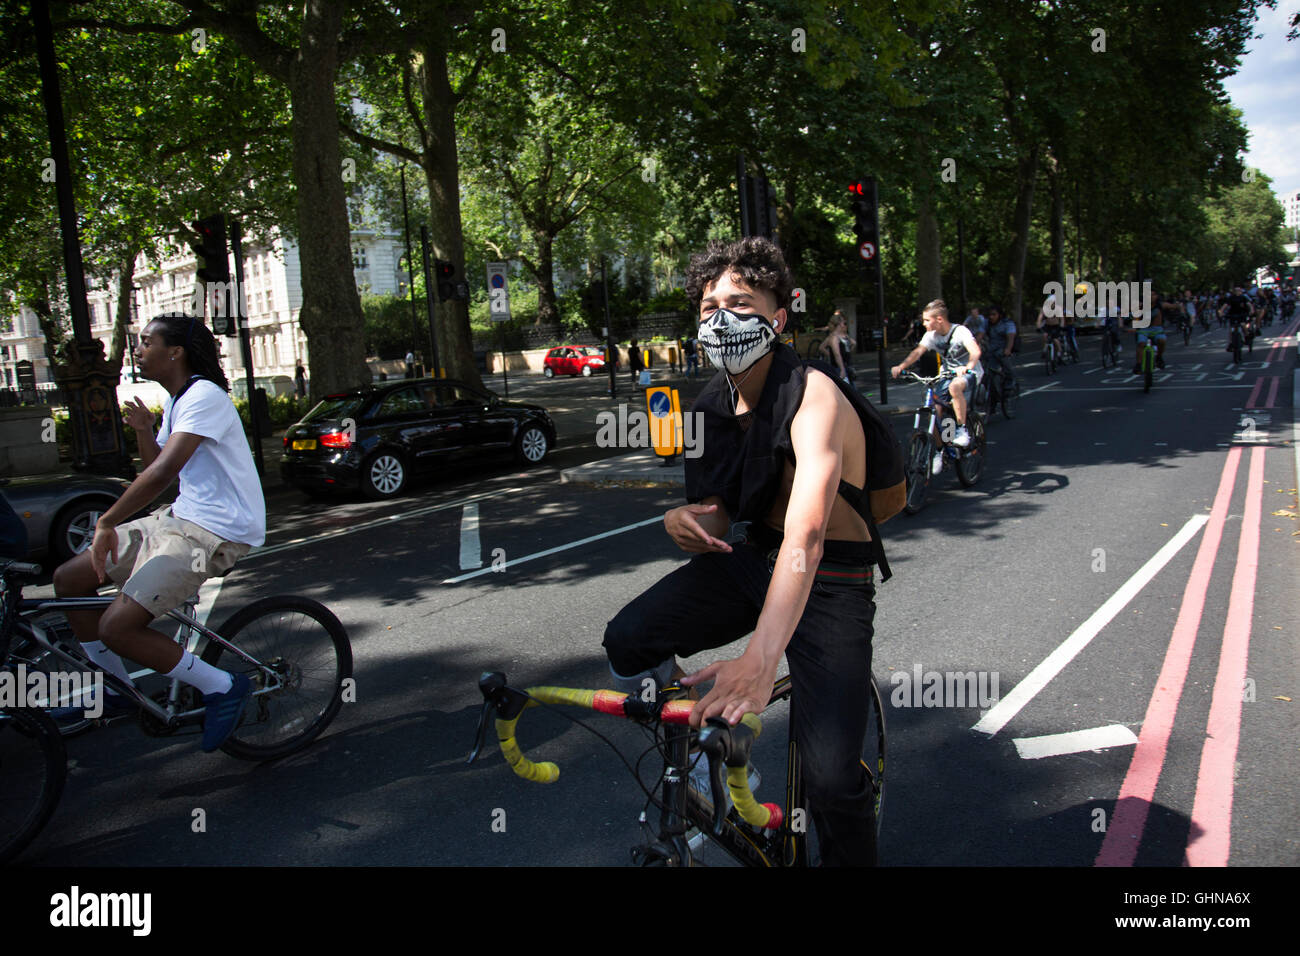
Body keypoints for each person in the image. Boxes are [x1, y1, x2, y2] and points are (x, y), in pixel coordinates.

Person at [603, 237, 881, 865]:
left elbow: (808, 536)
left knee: (831, 781)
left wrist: (760, 658)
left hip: (830, 574)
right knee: (627, 639)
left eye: (741, 302)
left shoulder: (815, 397)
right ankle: (709, 765)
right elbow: (721, 509)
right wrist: (686, 518)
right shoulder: (707, 406)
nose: (720, 317)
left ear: (778, 319)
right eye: (709, 306)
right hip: (758, 559)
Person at [52, 313, 266, 751]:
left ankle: (224, 685)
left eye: (147, 342)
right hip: (177, 517)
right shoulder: (176, 400)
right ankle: (117, 688)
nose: (139, 349)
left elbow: (166, 470)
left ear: (176, 351)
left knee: (117, 627)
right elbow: (160, 470)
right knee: (68, 579)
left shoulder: (205, 396)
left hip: (213, 531)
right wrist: (146, 432)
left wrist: (108, 520)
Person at [891, 300, 983, 475]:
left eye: (927, 320)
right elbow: (917, 352)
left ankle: (962, 430)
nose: (924, 323)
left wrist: (968, 367)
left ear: (939, 319)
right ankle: (939, 452)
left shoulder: (960, 332)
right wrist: (901, 366)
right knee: (935, 410)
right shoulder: (931, 336)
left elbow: (975, 351)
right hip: (946, 375)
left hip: (969, 373)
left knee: (955, 388)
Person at [819, 311, 854, 384]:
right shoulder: (834, 338)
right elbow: (837, 354)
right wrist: (842, 369)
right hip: (839, 368)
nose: (844, 324)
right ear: (839, 324)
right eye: (843, 322)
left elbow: (853, 343)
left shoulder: (840, 335)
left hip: (845, 366)